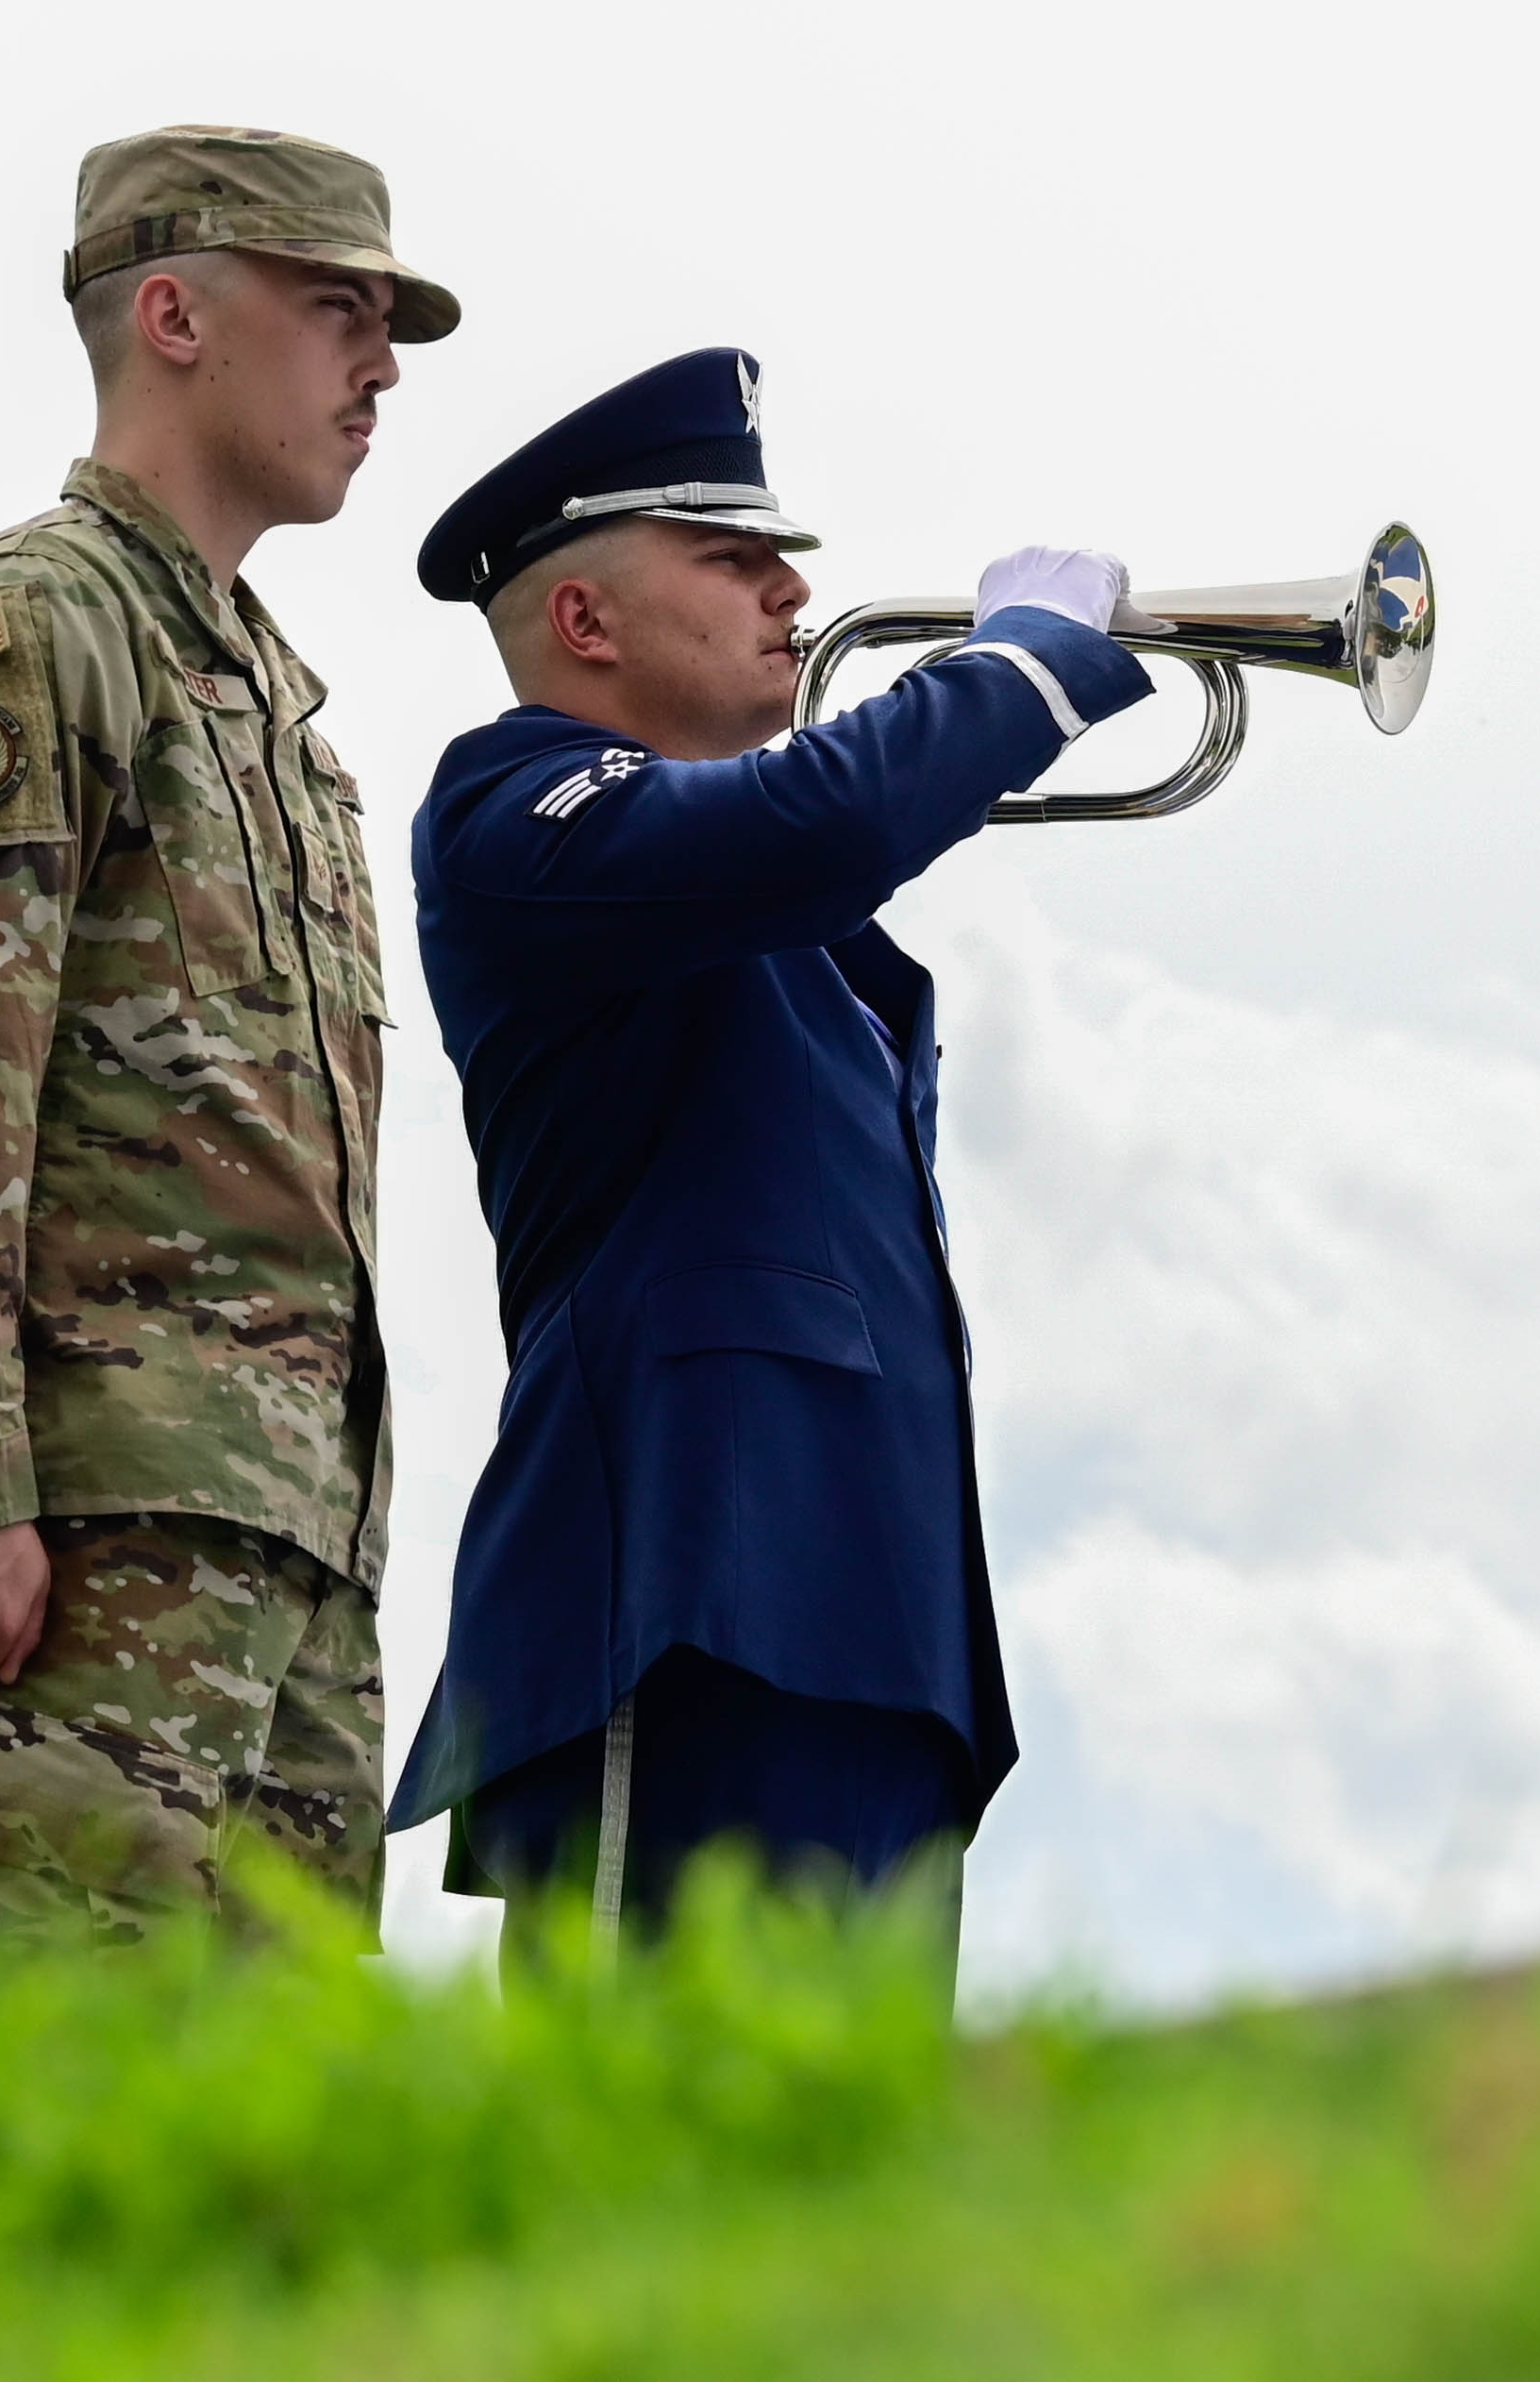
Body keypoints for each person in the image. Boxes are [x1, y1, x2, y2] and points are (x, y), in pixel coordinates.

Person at [391, 347, 1154, 1963]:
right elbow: (815, 822)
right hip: (680, 1596)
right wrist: (1015, 673)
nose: (792, 589)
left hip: (872, 1632)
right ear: (584, 625)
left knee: (835, 2196)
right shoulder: (510, 804)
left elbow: (809, 844)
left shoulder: (777, 914)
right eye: (730, 559)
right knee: (646, 2168)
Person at [0, 126, 456, 1946]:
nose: (383, 365)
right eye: (340, 309)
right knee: (29, 2166)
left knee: (281, 2201)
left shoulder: (275, 715)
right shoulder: (27, 626)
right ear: (172, 315)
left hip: (286, 1569)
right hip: (64, 1552)